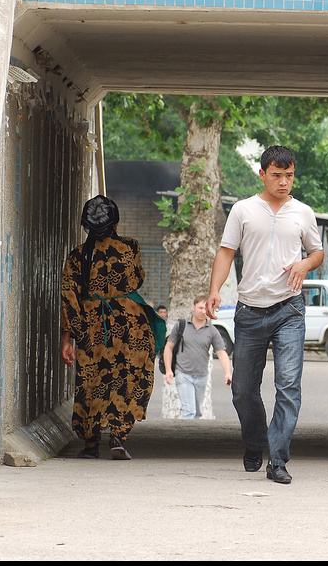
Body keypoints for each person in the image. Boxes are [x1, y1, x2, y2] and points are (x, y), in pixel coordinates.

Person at [207, 145, 324, 484]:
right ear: (262, 174)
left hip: (289, 309)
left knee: (288, 386)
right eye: (276, 175)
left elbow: (317, 252)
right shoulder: (243, 210)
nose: (283, 182)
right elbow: (226, 252)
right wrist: (215, 290)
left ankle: (277, 459)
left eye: (289, 175)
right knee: (243, 389)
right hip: (249, 311)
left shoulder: (303, 212)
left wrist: (305, 263)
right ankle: (256, 441)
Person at [60, 195, 165, 460]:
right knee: (129, 376)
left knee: (91, 380)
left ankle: (90, 444)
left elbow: (69, 299)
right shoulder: (130, 246)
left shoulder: (76, 256)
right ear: (115, 223)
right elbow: (137, 279)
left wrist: (67, 339)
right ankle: (119, 434)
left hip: (92, 327)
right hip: (131, 325)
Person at [163, 297, 233, 419]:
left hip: (201, 376)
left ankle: (192, 431)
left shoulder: (212, 330)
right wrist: (168, 370)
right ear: (194, 307)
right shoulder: (181, 325)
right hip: (183, 374)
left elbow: (221, 353)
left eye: (206, 309)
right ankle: (187, 431)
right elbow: (169, 347)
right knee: (189, 411)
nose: (203, 311)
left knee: (197, 412)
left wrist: (227, 373)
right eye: (200, 308)